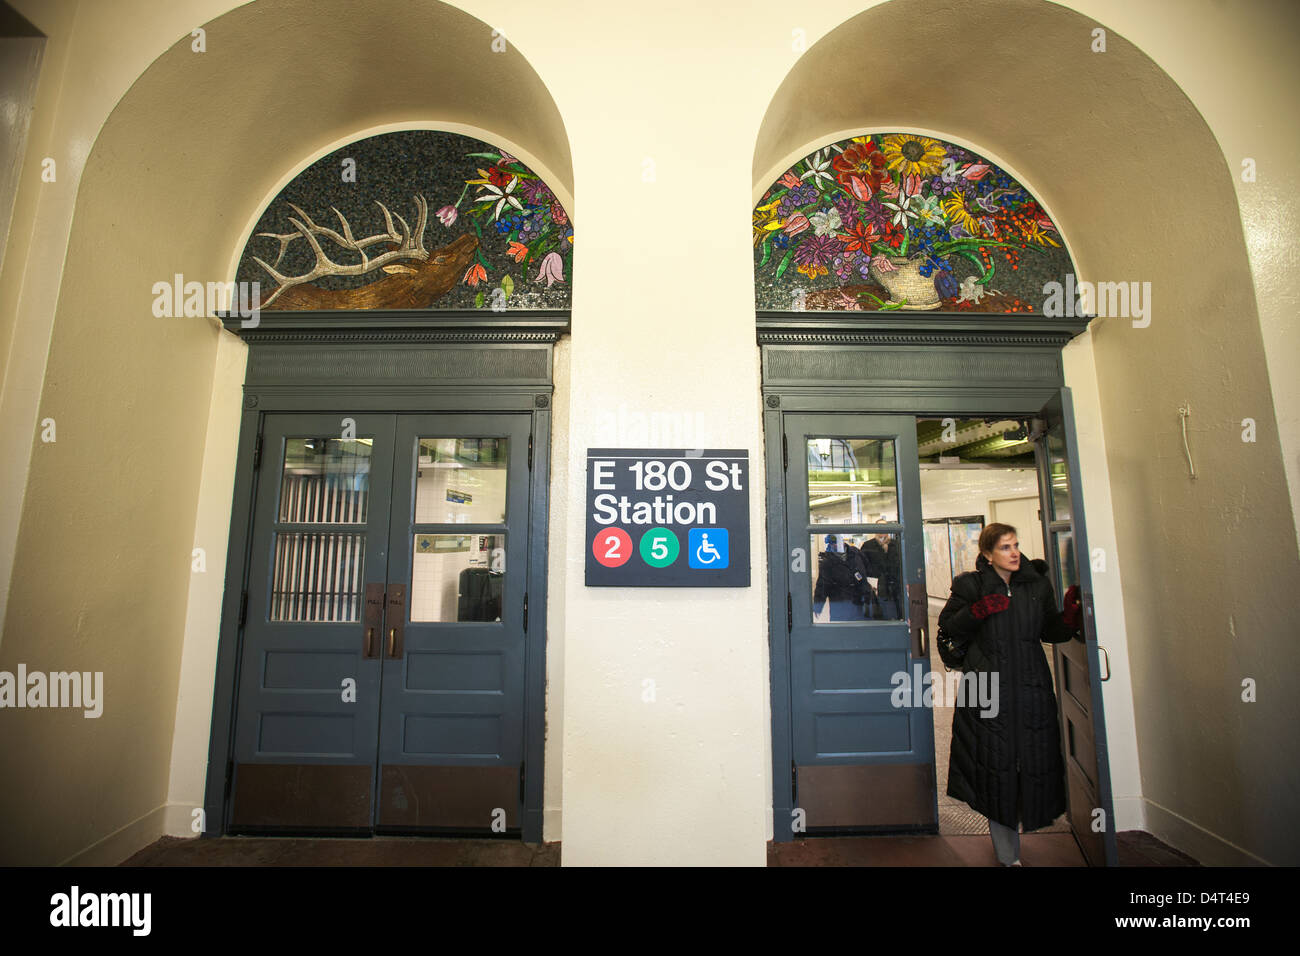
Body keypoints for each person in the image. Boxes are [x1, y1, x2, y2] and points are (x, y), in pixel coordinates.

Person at [938, 522, 1083, 866]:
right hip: (986, 688)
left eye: (1015, 545)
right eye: (1005, 547)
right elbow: (949, 626)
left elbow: (1051, 631)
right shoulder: (970, 586)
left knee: (1029, 759)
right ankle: (1008, 854)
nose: (1014, 552)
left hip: (1031, 686)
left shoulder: (1036, 586)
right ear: (987, 555)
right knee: (995, 764)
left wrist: (1071, 617)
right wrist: (977, 611)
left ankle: (1028, 824)